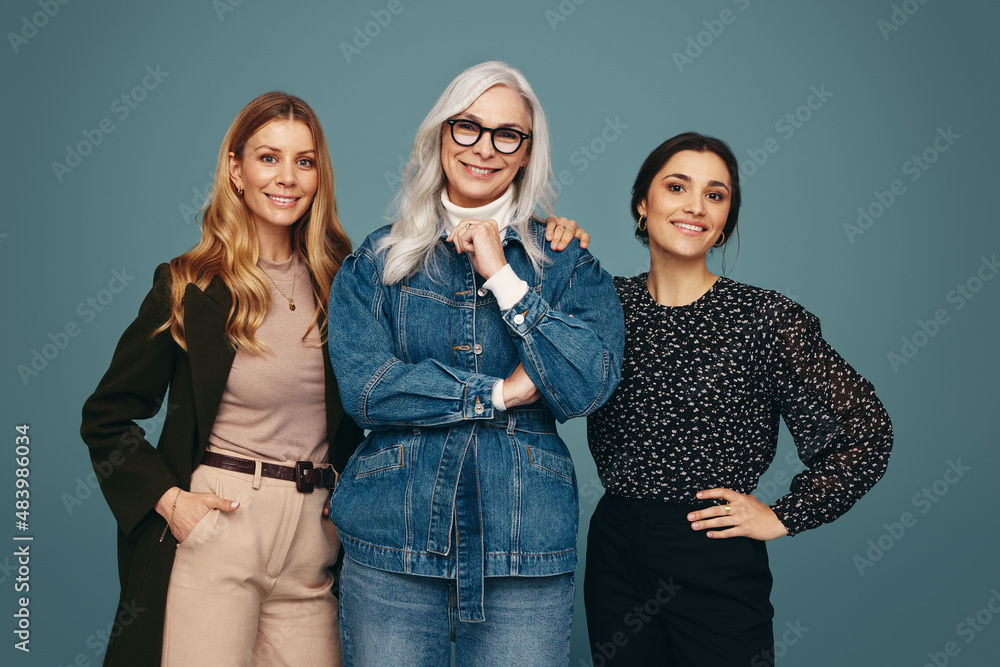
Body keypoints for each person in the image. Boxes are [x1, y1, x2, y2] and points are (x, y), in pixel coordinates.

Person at [326, 61, 624, 666]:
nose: (484, 148)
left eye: (506, 134)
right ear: (440, 133)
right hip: (393, 543)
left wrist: (505, 279)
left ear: (525, 153)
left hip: (524, 546)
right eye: (467, 127)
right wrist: (498, 393)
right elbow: (367, 392)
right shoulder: (376, 263)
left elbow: (587, 385)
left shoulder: (568, 264)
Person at [584, 132, 893, 666]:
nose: (695, 206)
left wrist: (785, 514)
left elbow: (866, 430)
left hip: (713, 550)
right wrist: (552, 237)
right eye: (677, 186)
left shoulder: (765, 318)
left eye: (716, 194)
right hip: (615, 546)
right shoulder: (604, 305)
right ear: (643, 202)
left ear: (726, 218)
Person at [80, 92, 365, 667]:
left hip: (315, 539)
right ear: (235, 169)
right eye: (268, 158)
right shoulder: (189, 285)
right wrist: (171, 503)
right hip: (222, 526)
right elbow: (106, 417)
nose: (287, 178)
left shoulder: (348, 283)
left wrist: (547, 236)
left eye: (304, 161)